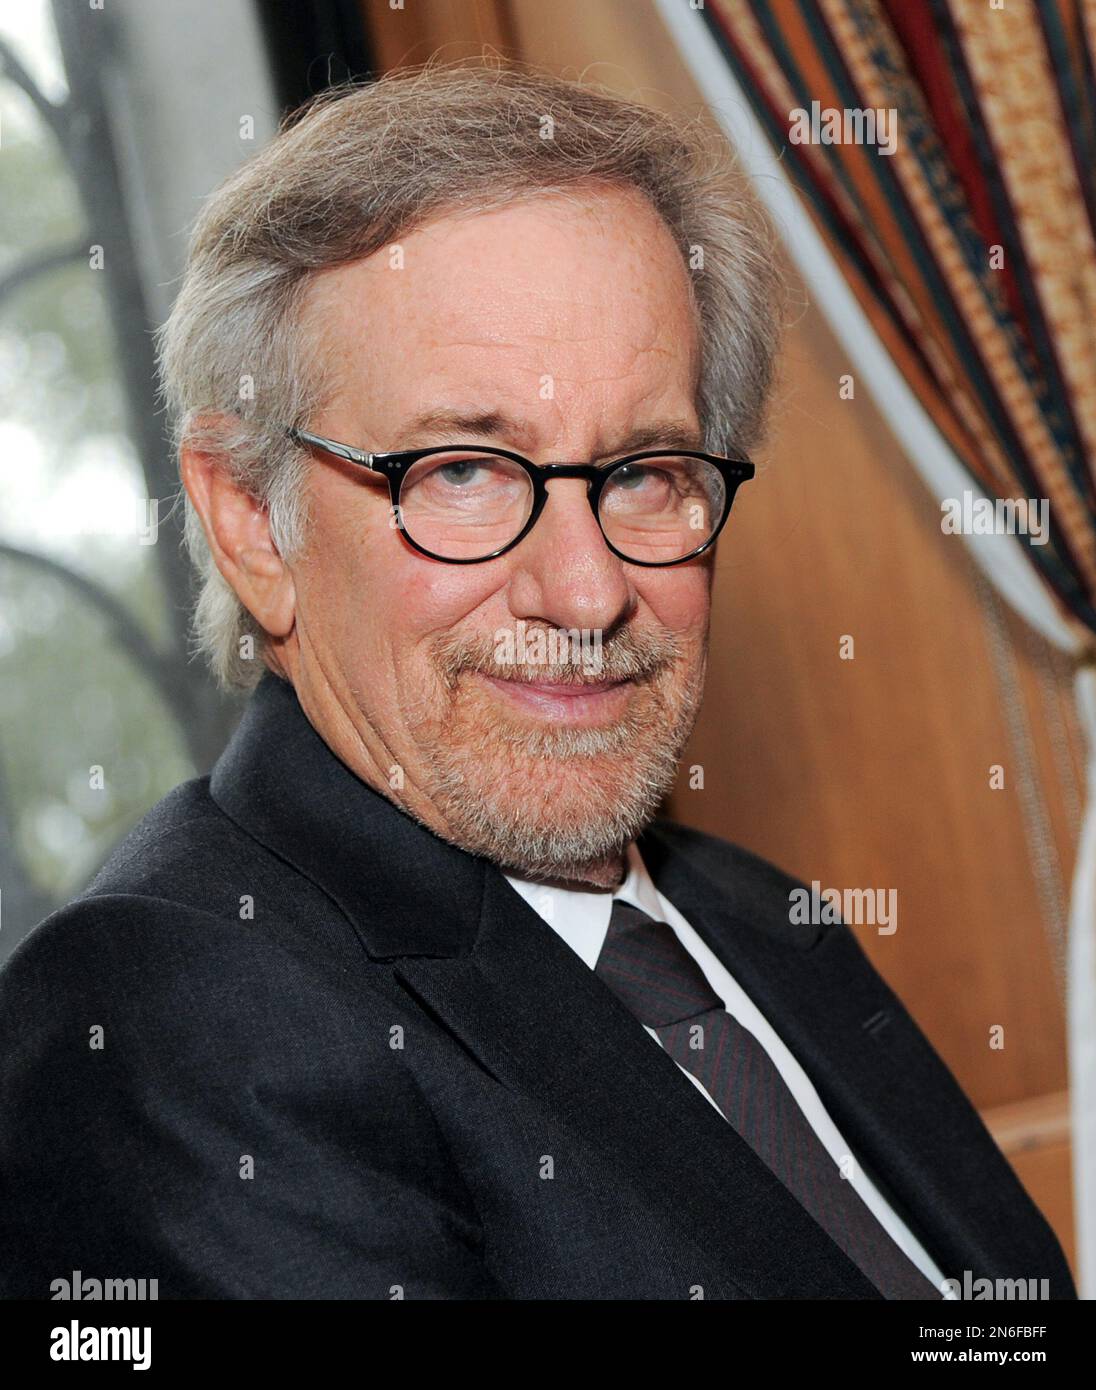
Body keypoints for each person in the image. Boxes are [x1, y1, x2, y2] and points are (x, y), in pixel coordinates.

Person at [0, 63, 1075, 1300]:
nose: (586, 592)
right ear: (250, 521)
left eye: (642, 470)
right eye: (462, 471)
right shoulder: (170, 1014)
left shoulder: (755, 920)